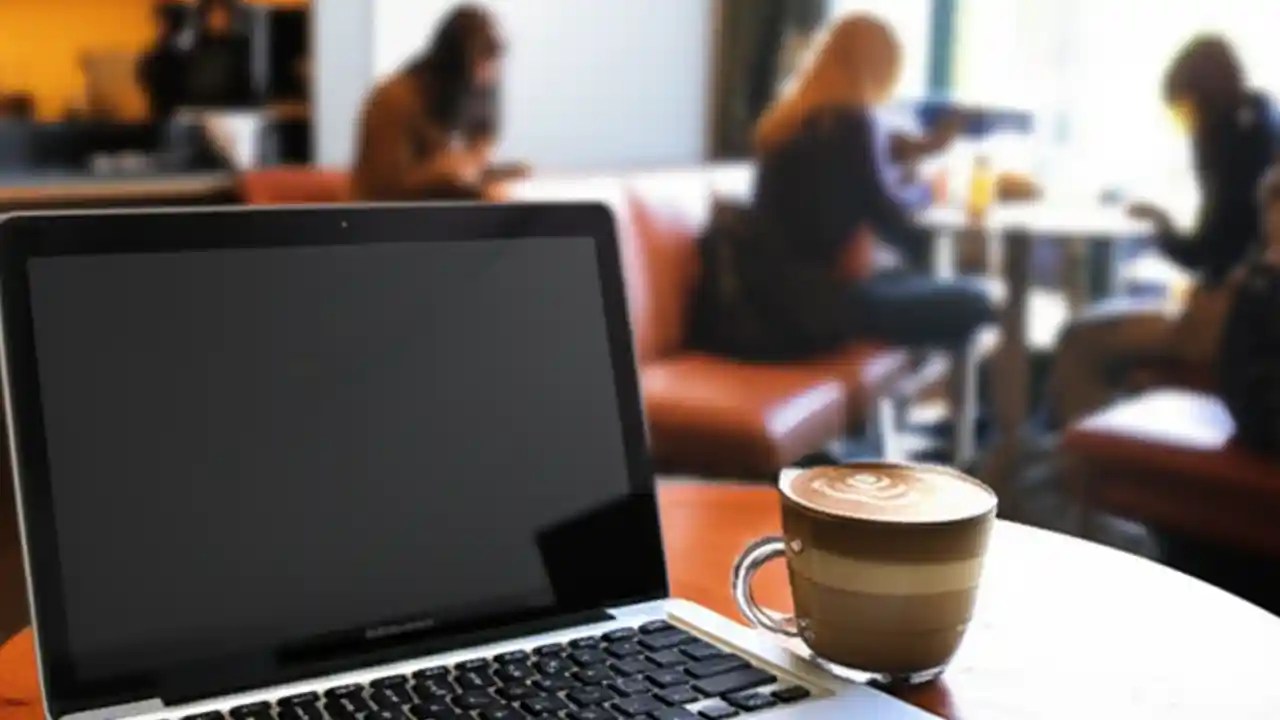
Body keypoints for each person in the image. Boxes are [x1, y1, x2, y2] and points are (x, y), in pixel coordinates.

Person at [696, 15, 997, 467]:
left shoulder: (787, 123)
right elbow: (897, 221)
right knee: (975, 300)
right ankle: (971, 453)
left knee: (910, 283)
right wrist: (928, 190)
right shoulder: (852, 123)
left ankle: (925, 433)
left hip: (765, 309)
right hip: (807, 317)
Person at [1047, 36, 1280, 426]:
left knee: (1080, 341)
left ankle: (1085, 470)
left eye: (1183, 113)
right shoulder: (1262, 122)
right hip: (1246, 316)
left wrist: (1161, 228)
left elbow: (1209, 252)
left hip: (1228, 322)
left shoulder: (1228, 144)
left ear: (1198, 100)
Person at [354, 5, 510, 201]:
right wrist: (446, 170)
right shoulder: (396, 98)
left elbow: (478, 155)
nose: (488, 78)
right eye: (481, 65)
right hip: (389, 217)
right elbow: (385, 187)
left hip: (446, 213)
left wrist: (478, 169)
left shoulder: (481, 93)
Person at [184, 0, 255, 108]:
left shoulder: (240, 48)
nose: (220, 19)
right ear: (205, 18)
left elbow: (246, 86)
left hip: (233, 110)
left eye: (223, 15)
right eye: (215, 15)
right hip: (199, 109)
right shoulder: (193, 49)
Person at [137, 2, 190, 123]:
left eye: (163, 23)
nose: (160, 28)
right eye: (159, 23)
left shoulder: (182, 54)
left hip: (178, 115)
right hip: (160, 114)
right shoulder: (156, 55)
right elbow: (145, 76)